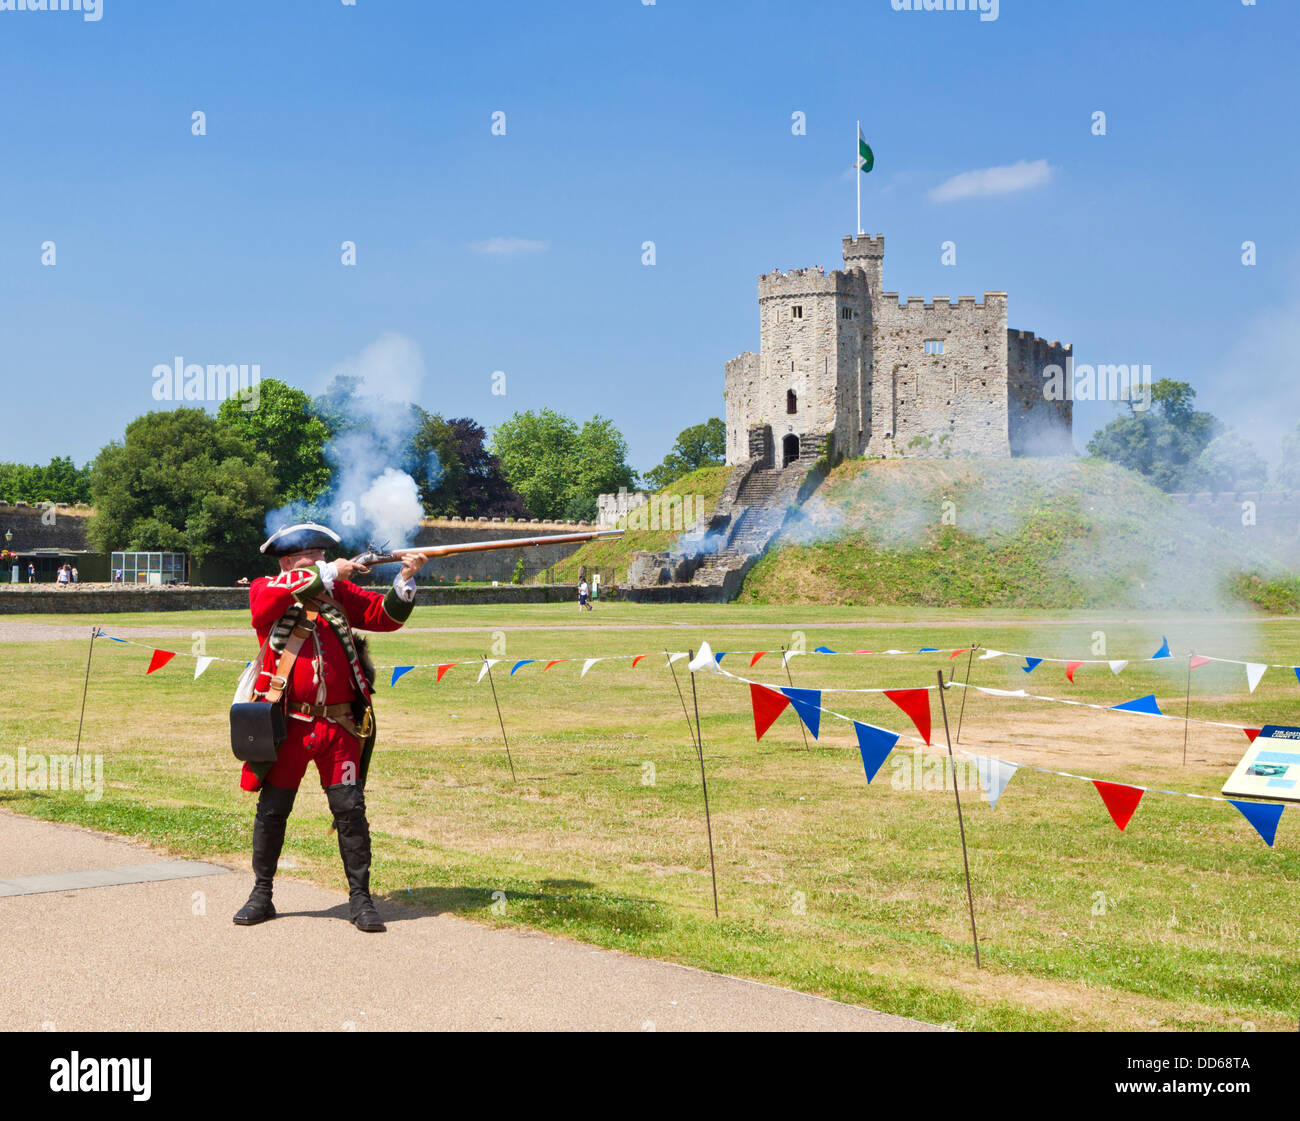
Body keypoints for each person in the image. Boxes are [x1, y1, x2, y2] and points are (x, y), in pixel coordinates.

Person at [233, 522, 428, 934]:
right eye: (313, 558)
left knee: (350, 810)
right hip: (288, 725)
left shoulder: (337, 593)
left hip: (340, 725)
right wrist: (328, 572)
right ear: (288, 562)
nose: (323, 563)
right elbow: (261, 606)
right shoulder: (268, 587)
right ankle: (261, 894)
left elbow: (384, 616)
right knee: (273, 810)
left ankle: (361, 900)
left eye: (323, 557)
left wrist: (405, 579)